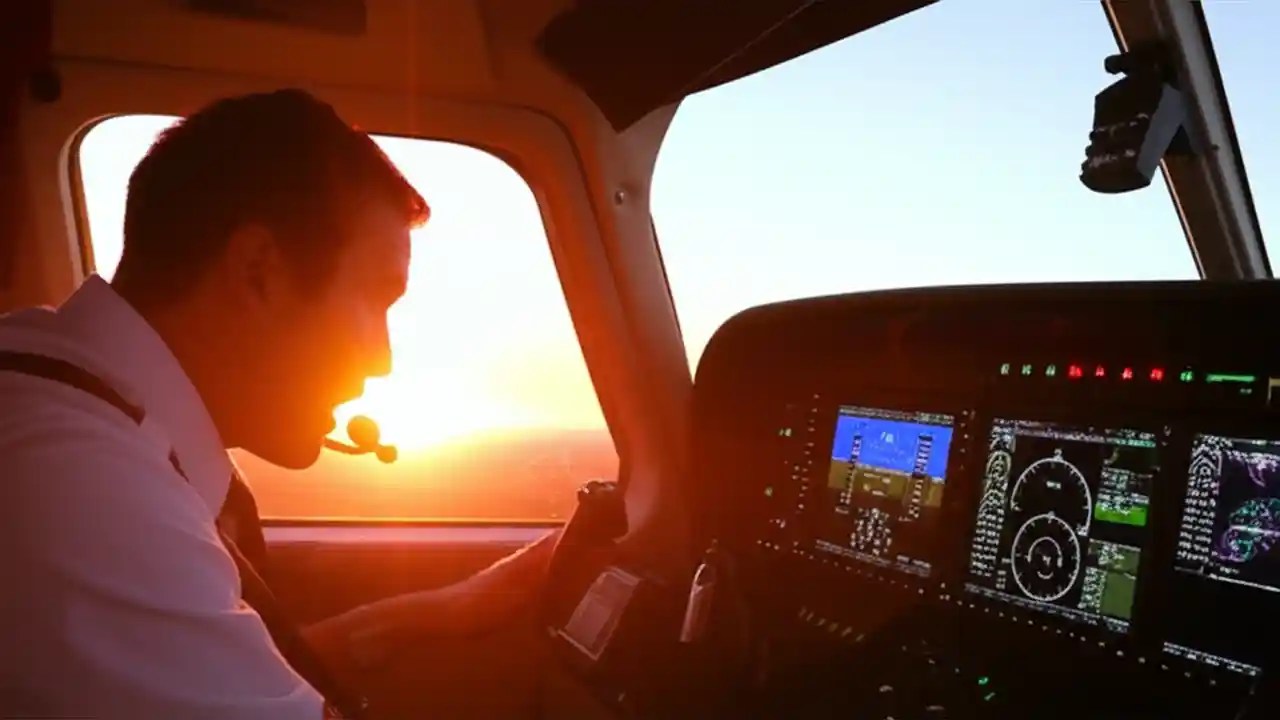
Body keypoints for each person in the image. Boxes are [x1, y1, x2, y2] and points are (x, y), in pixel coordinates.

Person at [0, 89, 558, 719]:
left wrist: (450, 611)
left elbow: (206, 666)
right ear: (259, 271)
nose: (383, 358)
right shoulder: (86, 486)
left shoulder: (68, 388)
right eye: (375, 299)